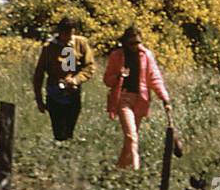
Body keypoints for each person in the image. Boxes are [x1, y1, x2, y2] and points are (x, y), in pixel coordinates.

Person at [103, 25, 172, 169]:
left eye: (138, 42)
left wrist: (165, 98)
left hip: (141, 100)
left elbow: (155, 79)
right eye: (132, 43)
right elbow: (107, 80)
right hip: (123, 98)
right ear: (125, 43)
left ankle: (119, 170)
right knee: (131, 136)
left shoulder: (146, 55)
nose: (136, 46)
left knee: (130, 140)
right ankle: (136, 170)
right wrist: (118, 76)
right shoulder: (117, 56)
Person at [33, 16, 95, 142]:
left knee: (69, 130)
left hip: (73, 93)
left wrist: (76, 80)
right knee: (58, 131)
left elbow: (89, 66)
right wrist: (39, 99)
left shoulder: (80, 43)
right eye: (65, 34)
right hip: (54, 93)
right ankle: (59, 149)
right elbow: (39, 74)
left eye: (70, 34)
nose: (67, 37)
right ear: (59, 32)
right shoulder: (49, 48)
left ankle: (67, 151)